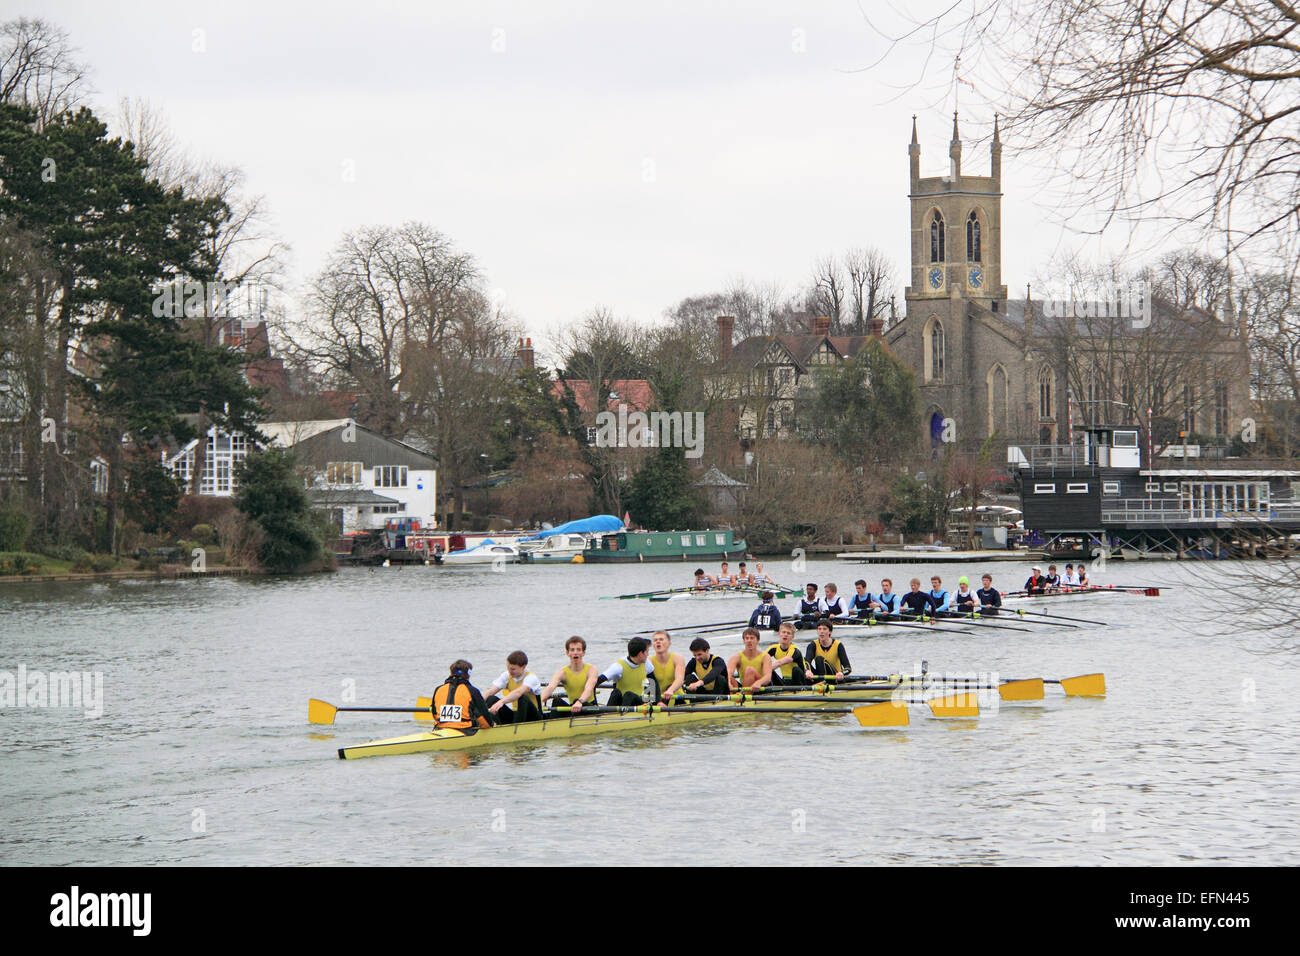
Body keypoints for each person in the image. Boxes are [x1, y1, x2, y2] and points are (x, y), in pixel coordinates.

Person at [540, 636, 600, 714]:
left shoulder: (591, 669)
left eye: (578, 649)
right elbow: (550, 687)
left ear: (583, 653)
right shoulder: (562, 672)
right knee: (556, 701)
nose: (575, 652)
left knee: (576, 701)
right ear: (568, 653)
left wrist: (580, 701)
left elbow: (588, 689)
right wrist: (539, 701)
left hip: (589, 707)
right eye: (572, 650)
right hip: (573, 707)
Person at [483, 651, 544, 724]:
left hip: (534, 717)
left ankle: (516, 729)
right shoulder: (506, 675)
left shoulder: (531, 678)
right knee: (491, 698)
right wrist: (475, 703)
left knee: (522, 698)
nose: (510, 671)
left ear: (523, 667)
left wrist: (502, 702)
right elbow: (490, 691)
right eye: (508, 668)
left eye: (513, 669)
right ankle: (490, 725)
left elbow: (518, 692)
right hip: (517, 714)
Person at [431, 659, 493, 731]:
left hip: (440, 729)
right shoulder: (472, 691)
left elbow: (434, 714)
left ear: (451, 673)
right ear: (468, 675)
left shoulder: (438, 689)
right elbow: (486, 723)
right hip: (465, 731)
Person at [597, 637, 653, 707]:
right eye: (647, 652)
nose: (648, 655)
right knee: (616, 693)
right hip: (622, 702)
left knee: (628, 695)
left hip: (639, 702)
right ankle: (607, 714)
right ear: (640, 653)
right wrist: (594, 703)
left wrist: (657, 702)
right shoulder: (618, 666)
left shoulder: (646, 664)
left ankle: (622, 715)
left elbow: (653, 684)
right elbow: (596, 681)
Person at [729, 627, 774, 692]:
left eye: (752, 638)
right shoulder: (736, 657)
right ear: (744, 641)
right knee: (727, 677)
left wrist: (758, 682)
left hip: (760, 687)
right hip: (745, 687)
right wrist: (728, 682)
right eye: (747, 638)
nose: (749, 640)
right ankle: (735, 697)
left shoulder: (765, 656)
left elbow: (767, 677)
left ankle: (744, 698)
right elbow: (728, 672)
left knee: (750, 670)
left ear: (757, 640)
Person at [648, 630, 685, 705]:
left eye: (661, 639)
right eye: (655, 640)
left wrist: (670, 690)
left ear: (669, 644)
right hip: (659, 699)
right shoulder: (649, 661)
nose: (658, 642)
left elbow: (679, 679)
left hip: (676, 697)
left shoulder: (677, 658)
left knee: (669, 687)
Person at [766, 621, 807, 686]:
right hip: (785, 681)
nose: (785, 635)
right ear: (779, 634)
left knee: (796, 670)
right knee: (768, 671)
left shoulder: (794, 650)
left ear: (792, 637)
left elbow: (782, 662)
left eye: (788, 633)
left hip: (800, 682)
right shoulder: (773, 648)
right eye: (783, 632)